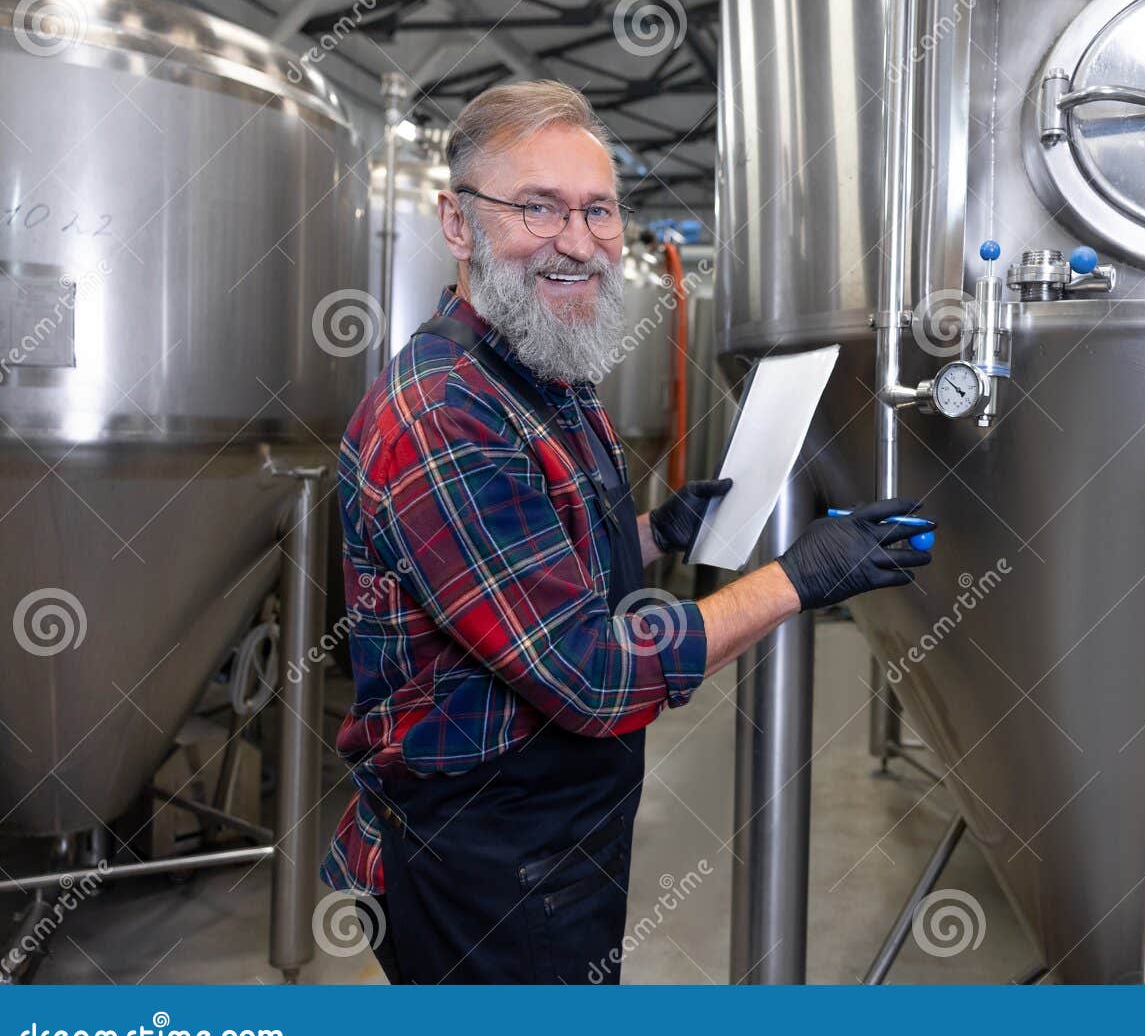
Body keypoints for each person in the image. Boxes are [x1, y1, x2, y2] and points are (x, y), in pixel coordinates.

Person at [319, 79, 931, 984]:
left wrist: (653, 532)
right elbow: (589, 676)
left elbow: (534, 561)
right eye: (538, 207)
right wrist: (797, 580)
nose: (579, 241)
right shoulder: (447, 414)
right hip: (482, 859)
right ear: (457, 224)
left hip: (554, 836)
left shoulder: (541, 373)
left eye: (597, 210)